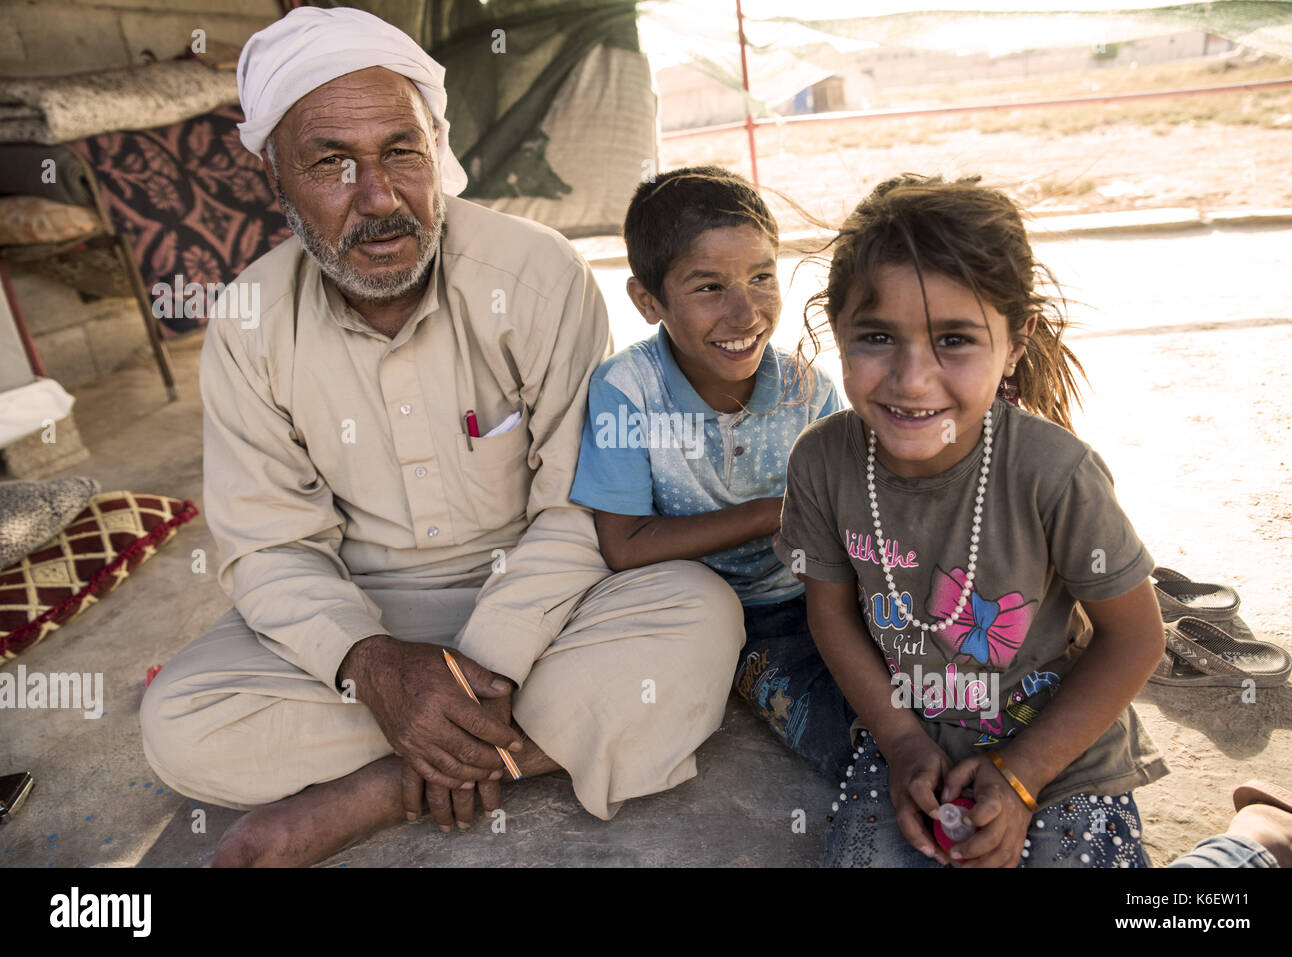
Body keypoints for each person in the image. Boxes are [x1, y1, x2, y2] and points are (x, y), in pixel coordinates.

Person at [139, 6, 743, 867]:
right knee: (181, 720)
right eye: (332, 164)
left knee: (699, 614)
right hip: (372, 611)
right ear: (276, 178)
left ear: (436, 149)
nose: (379, 199)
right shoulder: (248, 323)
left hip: (550, 601)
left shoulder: (538, 275)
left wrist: (475, 671)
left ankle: (384, 788)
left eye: (400, 152)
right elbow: (268, 545)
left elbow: (583, 505)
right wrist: (375, 667)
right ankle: (521, 742)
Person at [774, 173, 1171, 868]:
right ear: (836, 331)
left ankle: (1256, 843)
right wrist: (900, 743)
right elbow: (831, 614)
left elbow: (1135, 638)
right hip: (912, 739)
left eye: (954, 340)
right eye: (876, 336)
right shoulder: (823, 461)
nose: (912, 378)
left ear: (1014, 346)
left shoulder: (1054, 473)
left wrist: (1022, 774)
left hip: (1060, 749)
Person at [568, 167, 854, 779]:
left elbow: (852, 499)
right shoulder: (629, 391)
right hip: (727, 618)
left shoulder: (806, 387)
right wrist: (775, 513)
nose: (745, 312)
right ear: (648, 301)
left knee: (929, 691)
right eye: (709, 288)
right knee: (843, 736)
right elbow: (624, 545)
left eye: (761, 277)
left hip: (824, 590)